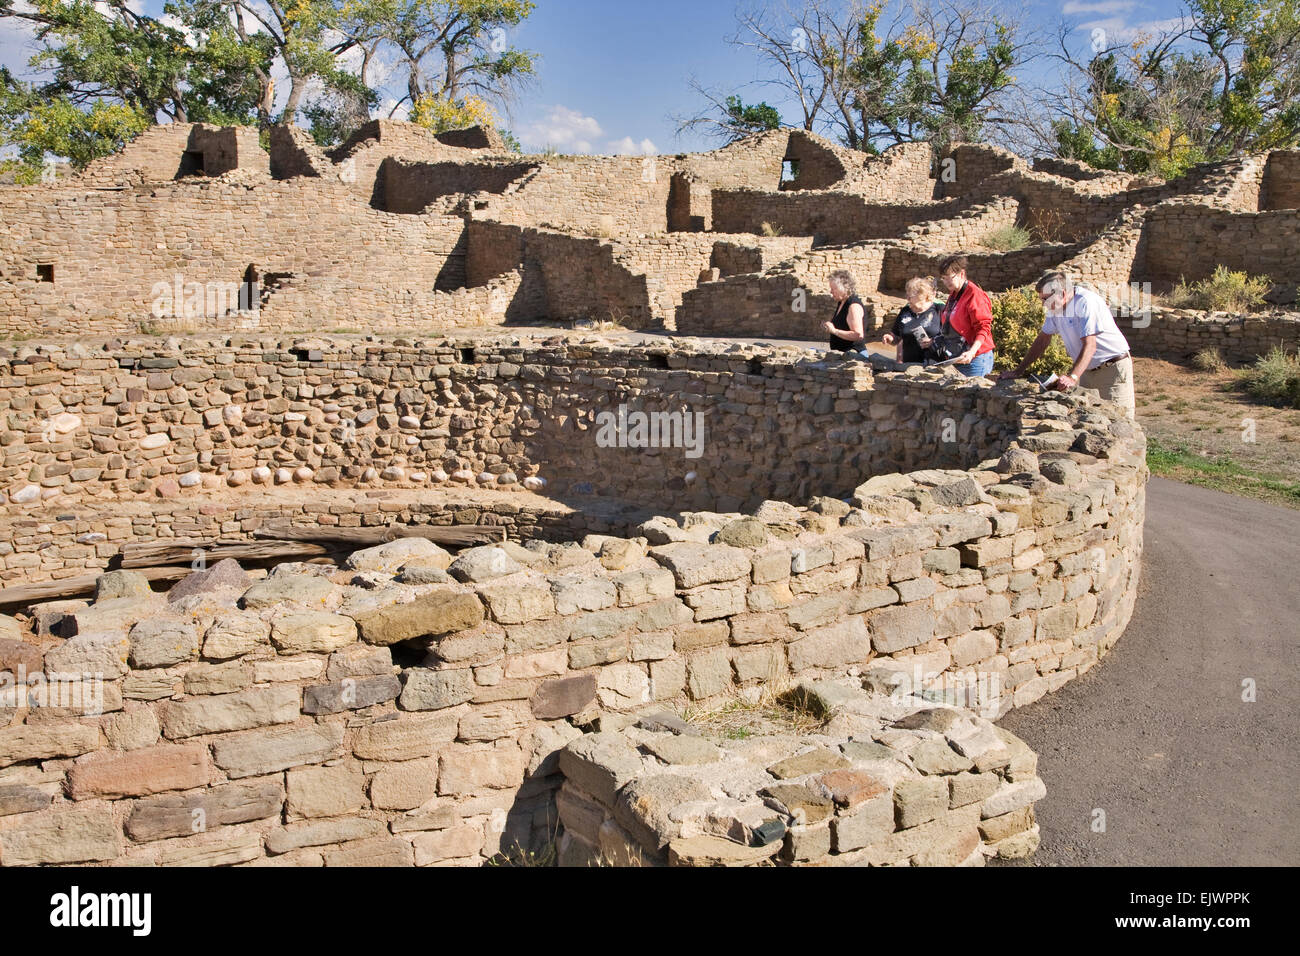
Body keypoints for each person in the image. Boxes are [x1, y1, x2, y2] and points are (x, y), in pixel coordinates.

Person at [1000, 271, 1135, 418]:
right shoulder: (1056, 307)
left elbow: (1090, 345)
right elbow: (1043, 340)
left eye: (1045, 299)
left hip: (1112, 369)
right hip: (1086, 371)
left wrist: (1073, 377)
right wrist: (1019, 371)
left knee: (1119, 420)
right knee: (1088, 420)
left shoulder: (1086, 302)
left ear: (1062, 294)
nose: (1043, 304)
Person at [936, 255, 996, 377]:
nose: (946, 282)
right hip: (957, 357)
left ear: (961, 274)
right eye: (943, 278)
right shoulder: (954, 294)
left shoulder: (975, 295)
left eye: (950, 277)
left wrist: (972, 352)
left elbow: (984, 327)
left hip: (976, 359)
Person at [883, 277, 943, 364]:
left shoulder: (939, 310)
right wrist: (890, 338)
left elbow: (949, 337)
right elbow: (896, 336)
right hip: (909, 366)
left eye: (911, 295)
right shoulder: (905, 311)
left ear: (923, 295)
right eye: (907, 294)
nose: (908, 298)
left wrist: (933, 341)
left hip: (933, 366)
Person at [823, 270, 866, 353]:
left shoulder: (853, 306)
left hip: (854, 356)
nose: (831, 291)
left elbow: (858, 335)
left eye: (833, 288)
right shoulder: (842, 302)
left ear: (845, 288)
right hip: (842, 354)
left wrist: (834, 331)